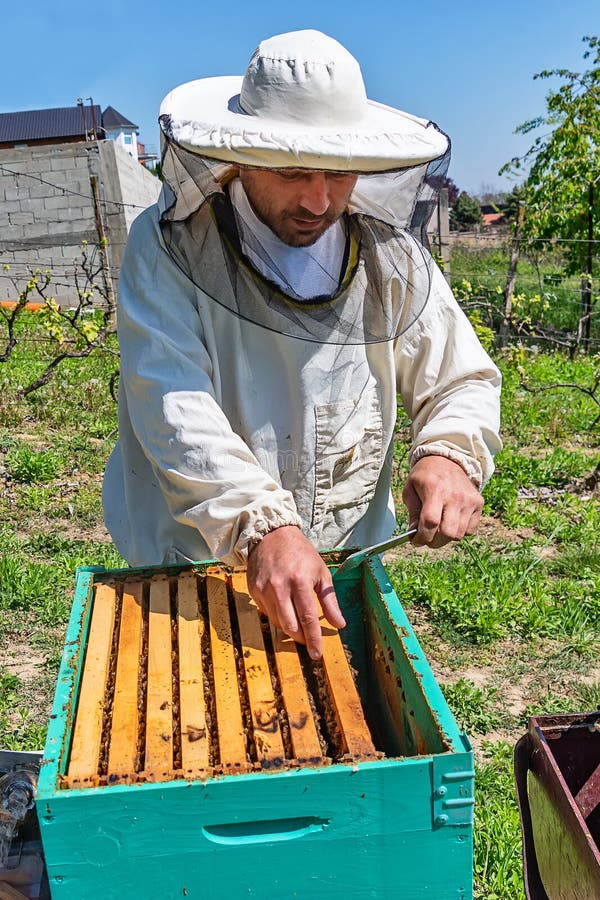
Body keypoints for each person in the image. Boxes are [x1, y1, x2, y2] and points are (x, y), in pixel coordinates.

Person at [103, 30, 502, 659]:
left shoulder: (388, 254)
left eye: (340, 174)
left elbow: (459, 378)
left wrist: (451, 451)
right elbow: (171, 402)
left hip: (341, 562)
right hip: (200, 563)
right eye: (292, 172)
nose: (319, 199)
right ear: (243, 158)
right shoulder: (168, 247)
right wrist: (261, 524)